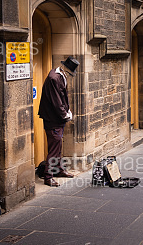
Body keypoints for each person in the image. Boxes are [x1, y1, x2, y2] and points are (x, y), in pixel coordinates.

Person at [38, 56, 79, 187]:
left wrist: (68, 111)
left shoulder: (60, 75)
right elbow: (56, 101)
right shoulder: (54, 78)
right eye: (69, 72)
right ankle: (48, 176)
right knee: (54, 148)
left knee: (58, 146)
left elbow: (62, 97)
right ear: (65, 68)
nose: (70, 75)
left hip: (57, 118)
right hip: (52, 119)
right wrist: (65, 115)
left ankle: (59, 169)